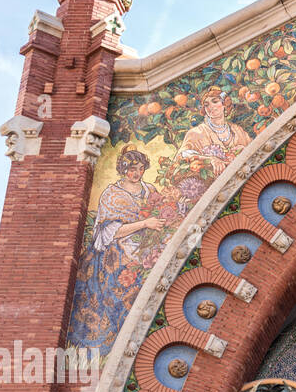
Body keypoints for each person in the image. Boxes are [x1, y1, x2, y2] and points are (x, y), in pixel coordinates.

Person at [67, 149, 166, 349]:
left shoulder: (149, 190)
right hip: (115, 254)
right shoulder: (112, 195)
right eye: (131, 169)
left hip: (143, 248)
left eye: (140, 168)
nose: (136, 173)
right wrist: (144, 224)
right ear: (123, 169)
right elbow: (111, 232)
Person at [179, 86, 250, 178]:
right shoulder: (196, 133)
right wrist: (210, 159)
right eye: (206, 105)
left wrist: (243, 149)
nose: (210, 106)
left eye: (215, 101)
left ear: (225, 104)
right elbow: (182, 155)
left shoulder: (237, 130)